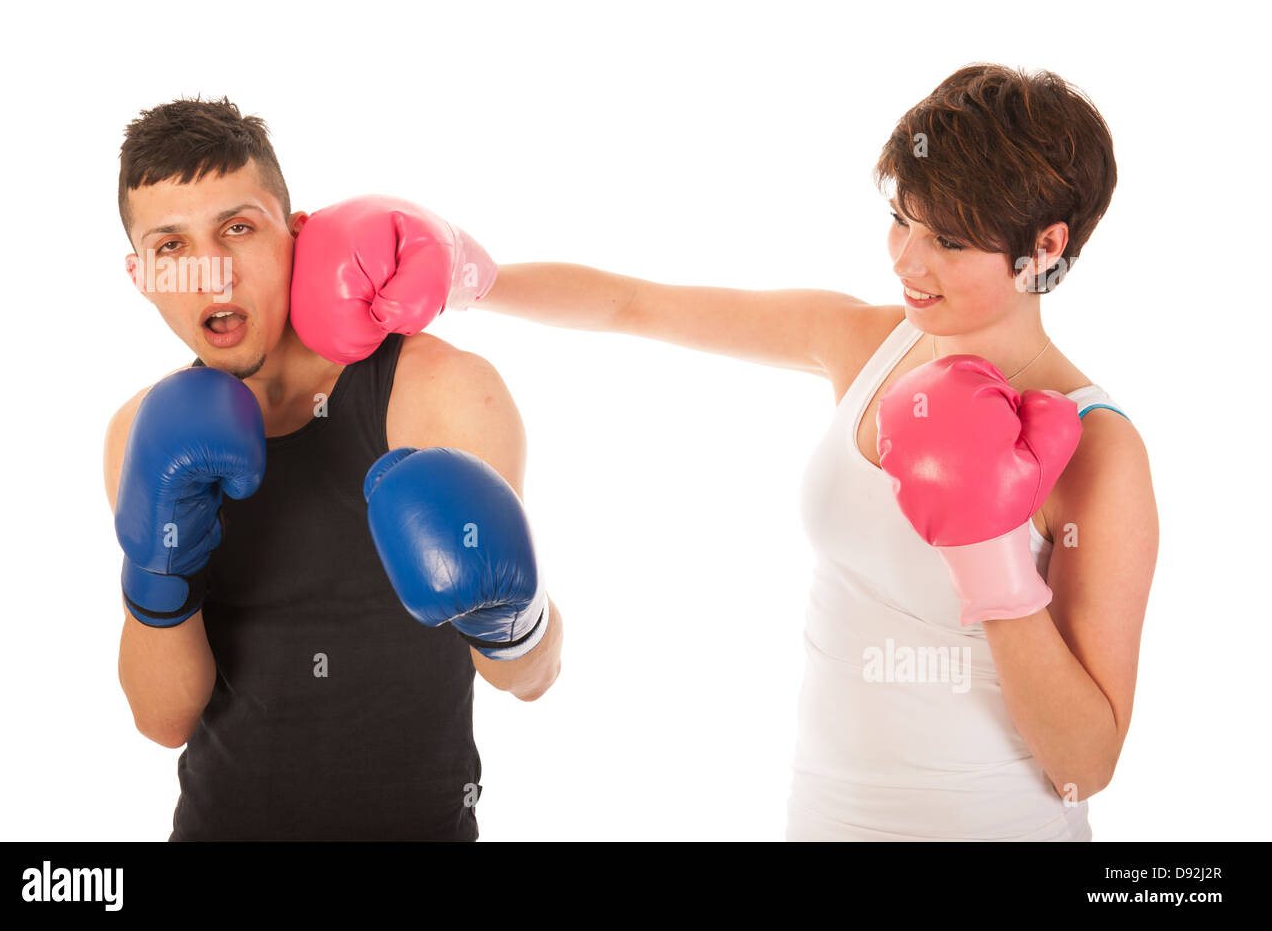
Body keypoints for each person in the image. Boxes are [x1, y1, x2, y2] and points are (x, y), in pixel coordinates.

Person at [452, 63, 1159, 840]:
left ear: (1044, 247)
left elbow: (1085, 766)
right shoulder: (865, 343)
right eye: (902, 218)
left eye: (949, 241)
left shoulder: (1098, 447)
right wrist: (466, 280)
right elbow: (634, 303)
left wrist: (990, 555)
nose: (906, 261)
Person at [103, 97, 563, 841]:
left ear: (296, 234)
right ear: (142, 275)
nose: (210, 274)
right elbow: (162, 719)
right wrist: (161, 574)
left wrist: (510, 619)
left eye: (237, 229)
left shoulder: (437, 391)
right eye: (172, 248)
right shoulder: (138, 433)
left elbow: (530, 677)